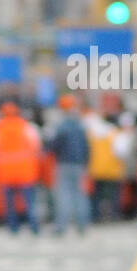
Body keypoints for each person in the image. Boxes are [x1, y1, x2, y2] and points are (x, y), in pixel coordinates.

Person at [0, 100, 41, 234]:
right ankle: (34, 227)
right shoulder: (25, 127)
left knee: (9, 204)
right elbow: (36, 147)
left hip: (6, 173)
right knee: (29, 202)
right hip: (25, 171)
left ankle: (13, 227)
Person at [47, 95, 90, 236]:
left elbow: (53, 145)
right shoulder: (80, 124)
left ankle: (61, 226)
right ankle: (82, 225)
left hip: (64, 163)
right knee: (79, 195)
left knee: (63, 196)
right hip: (79, 164)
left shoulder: (61, 126)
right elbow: (86, 146)